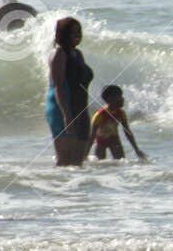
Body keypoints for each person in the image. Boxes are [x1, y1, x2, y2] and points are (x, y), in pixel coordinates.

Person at [47, 16, 93, 166]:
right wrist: (67, 115)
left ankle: (76, 189)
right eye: (74, 33)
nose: (78, 35)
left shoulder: (78, 54)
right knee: (65, 161)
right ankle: (58, 188)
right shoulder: (59, 54)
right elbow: (58, 86)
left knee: (78, 161)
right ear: (63, 35)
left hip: (80, 108)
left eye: (80, 32)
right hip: (63, 109)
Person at [90, 85, 147, 161]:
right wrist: (84, 154)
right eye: (119, 96)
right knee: (99, 164)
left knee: (120, 162)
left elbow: (127, 132)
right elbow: (92, 136)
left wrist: (136, 149)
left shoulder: (121, 113)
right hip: (101, 142)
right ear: (109, 99)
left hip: (114, 141)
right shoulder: (99, 115)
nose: (122, 99)